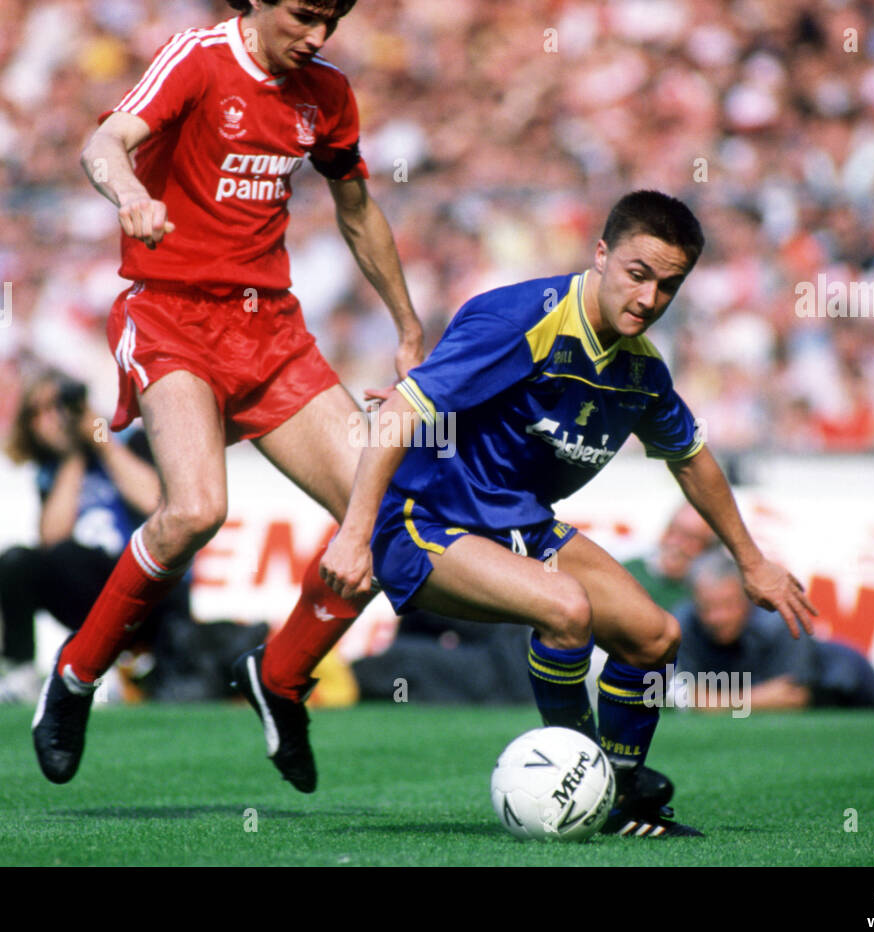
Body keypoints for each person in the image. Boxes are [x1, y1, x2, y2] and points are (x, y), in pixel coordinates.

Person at [317, 190, 818, 836]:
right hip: (421, 517)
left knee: (655, 637)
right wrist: (354, 537)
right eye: (638, 275)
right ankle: (590, 786)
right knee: (566, 609)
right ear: (601, 254)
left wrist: (753, 563)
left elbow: (691, 460)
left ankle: (619, 787)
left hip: (518, 524)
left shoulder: (641, 372)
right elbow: (400, 413)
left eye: (668, 286)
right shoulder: (523, 318)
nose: (648, 299)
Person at [32, 0, 424, 785]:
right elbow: (103, 143)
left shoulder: (327, 94)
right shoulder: (199, 58)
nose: (316, 37)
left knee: (384, 520)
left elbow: (355, 209)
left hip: (271, 334)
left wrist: (408, 327)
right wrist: (129, 196)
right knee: (195, 511)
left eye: (333, 22)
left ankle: (277, 679)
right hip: (173, 318)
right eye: (305, 16)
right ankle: (76, 677)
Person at [0, 369, 177, 705]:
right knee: (17, 561)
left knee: (69, 557)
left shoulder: (128, 441)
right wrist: (73, 456)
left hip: (143, 582)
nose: (50, 420)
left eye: (56, 408)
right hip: (81, 581)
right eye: (37, 413)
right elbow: (52, 536)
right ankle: (20, 675)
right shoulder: (52, 470)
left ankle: (115, 668)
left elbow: (152, 499)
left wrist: (98, 439)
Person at [674, 549, 874, 712]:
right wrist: (753, 698)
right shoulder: (683, 623)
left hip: (841, 676)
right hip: (782, 686)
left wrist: (716, 701)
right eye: (708, 608)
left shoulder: (781, 623)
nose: (717, 617)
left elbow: (792, 697)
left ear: (747, 598)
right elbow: (679, 692)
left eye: (727, 605)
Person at [622, 503, 716, 612]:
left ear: (707, 548)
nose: (676, 543)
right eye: (673, 531)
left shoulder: (704, 597)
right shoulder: (627, 573)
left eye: (691, 538)